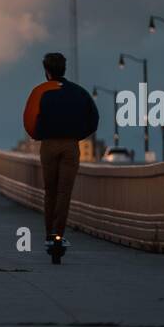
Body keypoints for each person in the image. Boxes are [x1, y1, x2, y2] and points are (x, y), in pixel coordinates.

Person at [23, 52, 98, 251]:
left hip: (48, 145)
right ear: (64, 69)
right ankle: (59, 233)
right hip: (70, 145)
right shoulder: (79, 92)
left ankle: (49, 234)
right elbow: (93, 120)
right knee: (64, 192)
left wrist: (39, 134)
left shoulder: (40, 91)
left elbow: (29, 120)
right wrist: (78, 135)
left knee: (50, 191)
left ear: (46, 71)